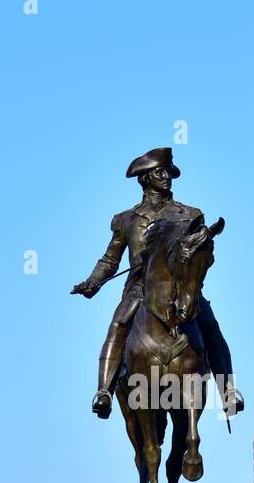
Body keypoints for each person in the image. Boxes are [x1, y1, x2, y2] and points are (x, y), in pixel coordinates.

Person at [71, 147, 243, 420]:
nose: (166, 177)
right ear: (145, 179)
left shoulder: (189, 214)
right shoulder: (126, 219)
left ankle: (228, 390)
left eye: (168, 172)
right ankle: (103, 391)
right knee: (118, 323)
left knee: (210, 325)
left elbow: (199, 252)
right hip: (140, 289)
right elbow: (110, 260)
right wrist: (92, 282)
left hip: (181, 289)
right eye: (159, 172)